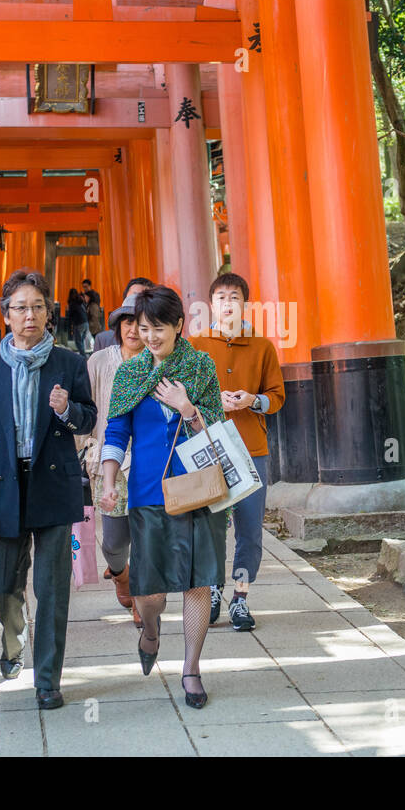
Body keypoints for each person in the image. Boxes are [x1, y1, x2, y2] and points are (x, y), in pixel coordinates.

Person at [0, 269, 97, 710]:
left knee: (52, 590)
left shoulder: (69, 364)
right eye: (21, 308)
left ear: (49, 313)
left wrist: (67, 410)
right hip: (5, 486)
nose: (30, 315)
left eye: (38, 307)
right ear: (7, 315)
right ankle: (13, 641)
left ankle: (48, 680)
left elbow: (89, 418)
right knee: (3, 585)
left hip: (53, 484)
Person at [97, 285, 228, 709]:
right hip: (149, 491)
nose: (150, 337)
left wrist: (187, 407)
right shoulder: (130, 374)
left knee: (197, 583)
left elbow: (217, 428)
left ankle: (191, 668)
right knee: (150, 592)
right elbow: (116, 431)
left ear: (178, 326)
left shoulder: (201, 367)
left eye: (159, 328)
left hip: (199, 488)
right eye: (143, 328)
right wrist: (109, 481)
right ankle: (151, 630)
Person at [190, 273, 285, 631]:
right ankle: (214, 589)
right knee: (212, 527)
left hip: (251, 448)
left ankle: (241, 597)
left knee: (249, 529)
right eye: (221, 297)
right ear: (211, 304)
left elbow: (277, 397)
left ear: (245, 304)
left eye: (234, 297)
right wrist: (215, 401)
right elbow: (186, 395)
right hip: (209, 448)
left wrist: (252, 400)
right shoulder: (196, 345)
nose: (227, 303)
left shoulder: (262, 347)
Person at [77, 292, 145, 626]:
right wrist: (78, 451)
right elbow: (86, 410)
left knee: (147, 536)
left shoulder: (159, 359)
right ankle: (120, 573)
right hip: (109, 462)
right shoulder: (100, 361)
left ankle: (144, 600)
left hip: (148, 460)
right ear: (117, 327)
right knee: (115, 542)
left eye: (140, 323)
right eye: (127, 323)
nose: (133, 330)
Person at [93, 277, 154, 352]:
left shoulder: (158, 348)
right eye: (133, 297)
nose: (136, 301)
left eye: (143, 298)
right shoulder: (104, 340)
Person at [65, 287, 89, 353]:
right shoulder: (80, 302)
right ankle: (83, 355)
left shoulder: (72, 303)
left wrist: (70, 326)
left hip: (79, 323)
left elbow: (70, 316)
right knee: (82, 341)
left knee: (78, 342)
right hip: (86, 322)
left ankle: (83, 357)